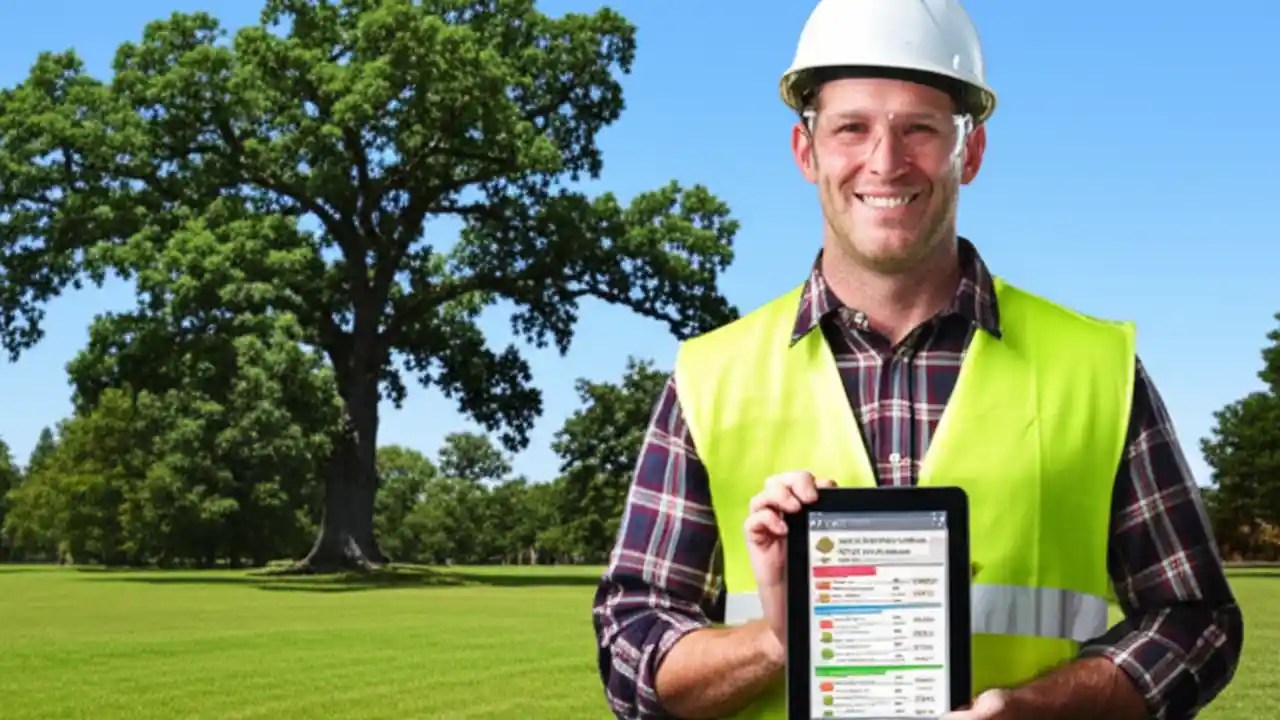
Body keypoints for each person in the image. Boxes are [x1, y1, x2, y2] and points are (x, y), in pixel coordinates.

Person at [592, 0, 1243, 718]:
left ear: (971, 150)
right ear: (806, 151)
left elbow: (1196, 622)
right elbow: (632, 650)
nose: (885, 161)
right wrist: (779, 638)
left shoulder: (1095, 369)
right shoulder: (710, 379)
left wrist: (1046, 707)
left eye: (920, 130)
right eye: (852, 128)